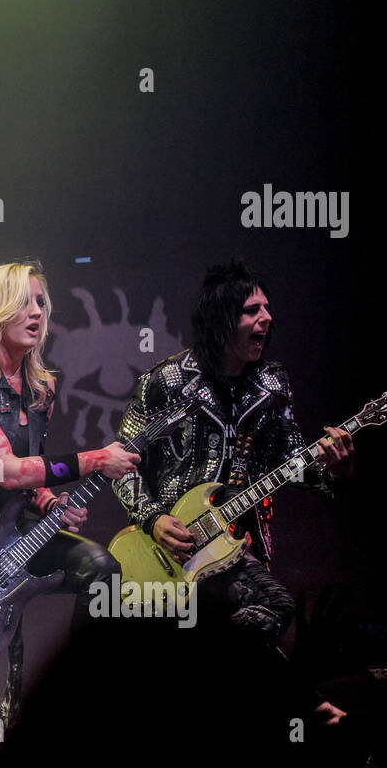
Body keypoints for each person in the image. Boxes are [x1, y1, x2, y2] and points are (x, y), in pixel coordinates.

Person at [0, 261, 139, 725]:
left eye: (41, 302)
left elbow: (28, 479)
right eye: (24, 301)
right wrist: (96, 459)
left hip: (7, 533)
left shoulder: (40, 388)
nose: (37, 312)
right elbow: (5, 470)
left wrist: (48, 501)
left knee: (103, 570)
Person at [113, 260, 355, 640]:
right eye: (252, 310)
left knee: (274, 610)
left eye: (267, 308)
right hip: (172, 549)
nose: (267, 318)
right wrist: (154, 519)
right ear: (221, 318)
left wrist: (333, 472)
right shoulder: (166, 382)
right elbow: (122, 464)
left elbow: (292, 462)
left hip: (239, 546)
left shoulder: (272, 387)